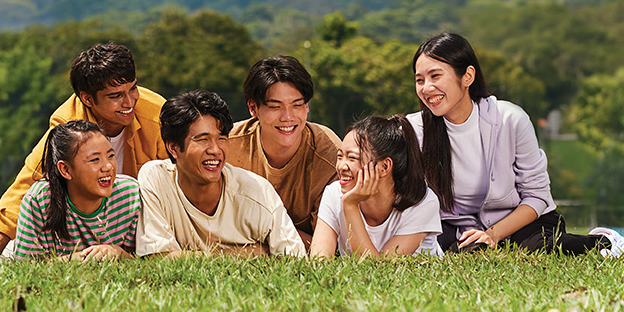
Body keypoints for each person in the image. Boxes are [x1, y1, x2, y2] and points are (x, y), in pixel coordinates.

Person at [407, 32, 624, 257]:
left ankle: (605, 242)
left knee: (537, 250)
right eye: (420, 80)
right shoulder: (414, 130)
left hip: (523, 222)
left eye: (436, 76)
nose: (427, 88)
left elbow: (536, 196)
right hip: (461, 229)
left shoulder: (510, 119)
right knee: (461, 255)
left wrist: (493, 234)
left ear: (467, 76)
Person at [0, 43, 168, 262]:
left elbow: (176, 182)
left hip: (120, 218)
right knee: (4, 253)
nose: (129, 101)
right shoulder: (67, 126)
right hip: (73, 220)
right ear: (87, 99)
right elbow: (27, 185)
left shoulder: (157, 115)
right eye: (116, 96)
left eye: (133, 88)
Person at [136, 90, 306, 258]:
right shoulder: (156, 178)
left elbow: (295, 257)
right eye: (203, 139)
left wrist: (183, 255)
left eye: (221, 139)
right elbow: (158, 257)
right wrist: (249, 253)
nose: (215, 150)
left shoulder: (257, 192)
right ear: (173, 148)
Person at [225, 56, 341, 245]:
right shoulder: (227, 147)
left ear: (306, 106)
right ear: (253, 108)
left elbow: (328, 244)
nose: (287, 117)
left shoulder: (330, 155)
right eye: (275, 107)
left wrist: (268, 230)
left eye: (297, 105)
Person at [4, 120, 140, 261]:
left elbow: (146, 262)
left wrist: (117, 253)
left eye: (111, 156)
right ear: (66, 170)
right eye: (95, 159)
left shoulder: (130, 195)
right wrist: (77, 259)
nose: (108, 167)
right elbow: (25, 267)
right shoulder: (39, 199)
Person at [309, 116, 444, 257]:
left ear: (384, 166)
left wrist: (350, 205)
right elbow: (319, 260)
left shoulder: (422, 204)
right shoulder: (334, 193)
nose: (341, 166)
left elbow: (376, 268)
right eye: (339, 156)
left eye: (352, 158)